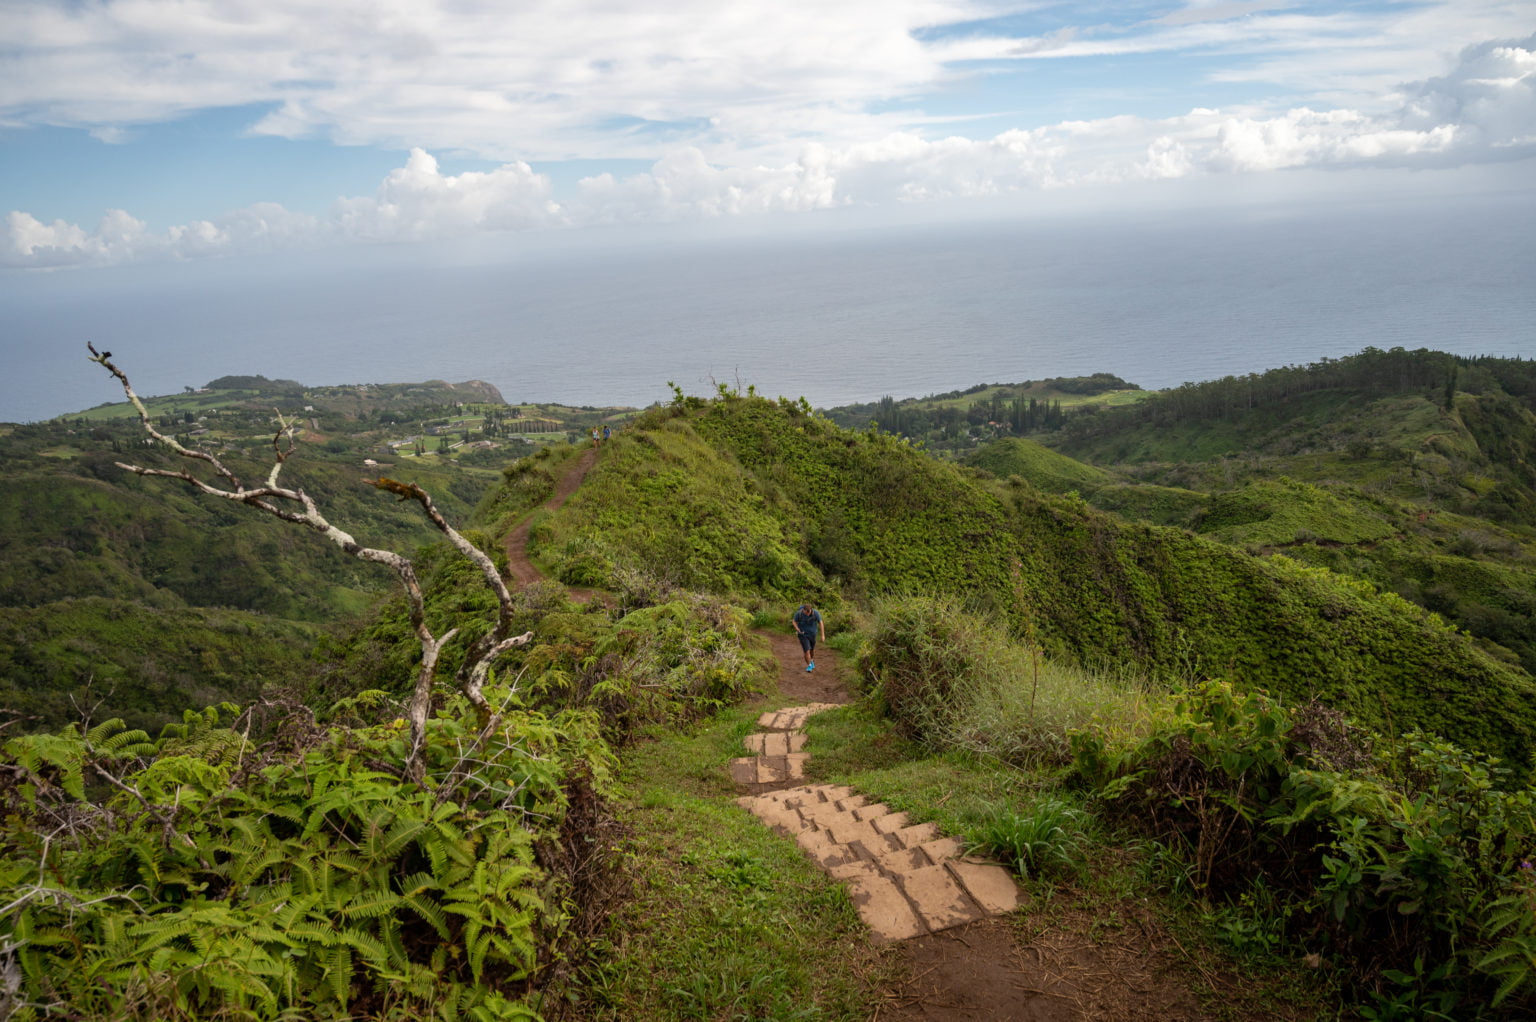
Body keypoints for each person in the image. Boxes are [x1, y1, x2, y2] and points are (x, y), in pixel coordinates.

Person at [790, 602, 825, 672]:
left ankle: (811, 660)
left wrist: (822, 635)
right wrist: (797, 629)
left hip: (812, 634)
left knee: (811, 650)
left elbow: (821, 623)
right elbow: (794, 621)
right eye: (806, 613)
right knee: (807, 651)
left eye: (809, 613)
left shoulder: (815, 613)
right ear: (803, 610)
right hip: (803, 634)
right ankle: (809, 666)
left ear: (811, 610)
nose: (808, 614)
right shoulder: (799, 614)